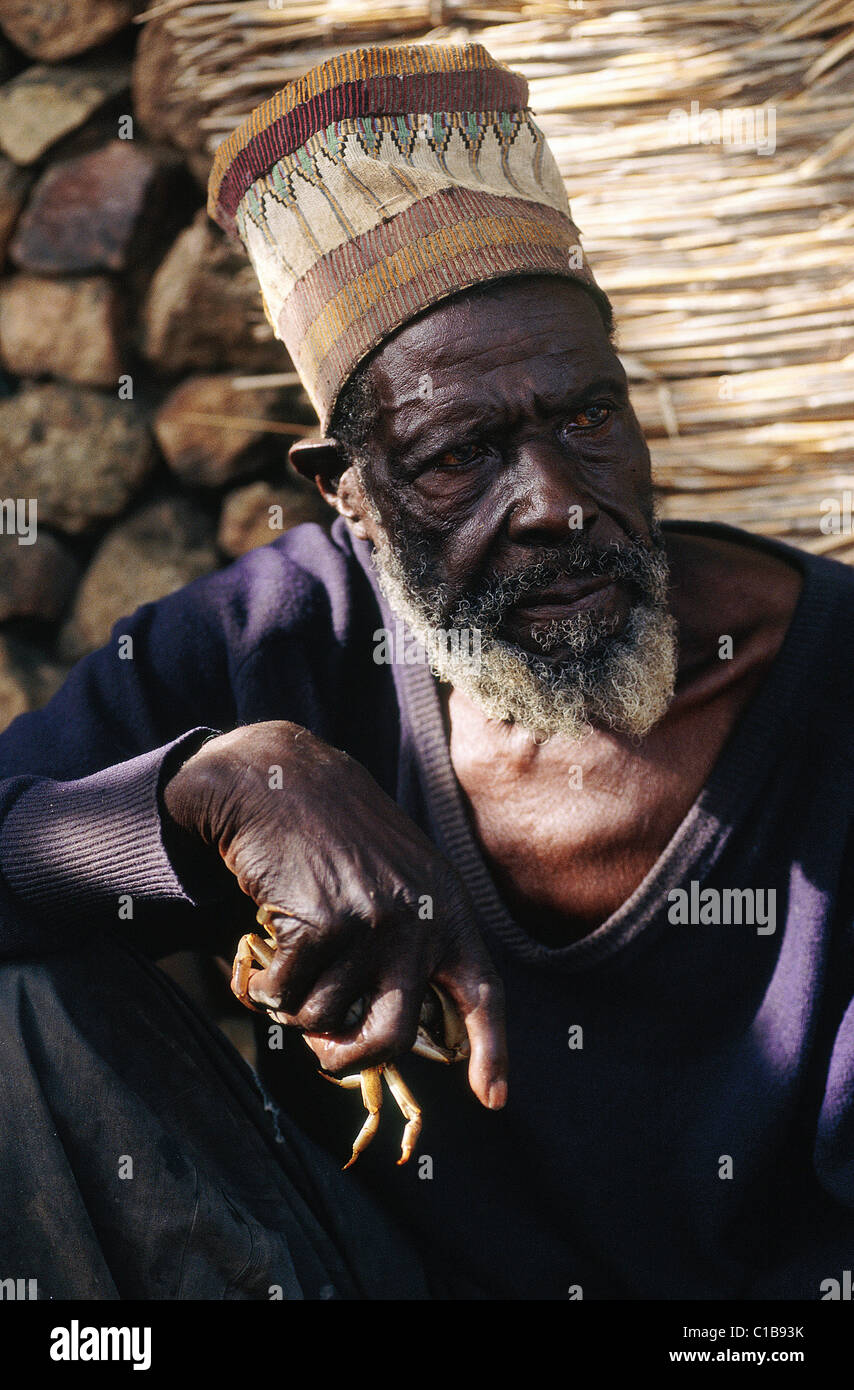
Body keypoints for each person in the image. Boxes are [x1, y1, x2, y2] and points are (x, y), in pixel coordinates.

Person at [1, 41, 853, 1302]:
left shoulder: (827, 695)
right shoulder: (274, 643)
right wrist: (222, 788)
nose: (555, 504)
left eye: (585, 418)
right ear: (345, 495)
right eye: (462, 453)